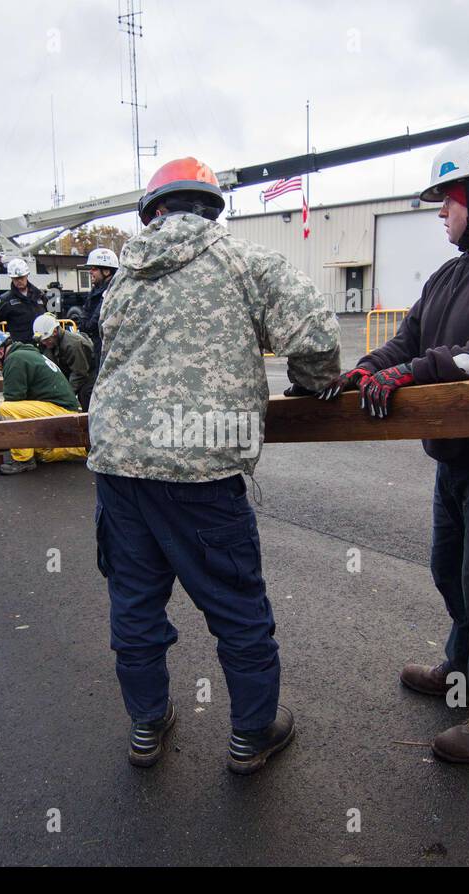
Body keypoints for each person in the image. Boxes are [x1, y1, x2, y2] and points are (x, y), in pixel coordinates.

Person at [316, 131, 469, 762]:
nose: (441, 212)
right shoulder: (453, 273)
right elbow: (408, 341)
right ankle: (463, 668)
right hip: (455, 456)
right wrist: (368, 367)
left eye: (447, 199)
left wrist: (420, 371)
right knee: (451, 573)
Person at [88, 156, 342, 774]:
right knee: (235, 606)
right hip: (201, 469)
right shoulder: (244, 261)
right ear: (211, 209)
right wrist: (316, 385)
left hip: (119, 467)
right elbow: (313, 336)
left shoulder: (122, 278)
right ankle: (252, 735)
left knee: (135, 603)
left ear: (153, 214)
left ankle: (147, 726)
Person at [0, 328, 86, 475]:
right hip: (65, 411)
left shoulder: (14, 360)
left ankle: (23, 460)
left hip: (61, 411)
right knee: (42, 452)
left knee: (6, 409)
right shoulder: (25, 354)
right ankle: (84, 448)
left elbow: (13, 401)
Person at [33, 313, 96, 410]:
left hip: (89, 374)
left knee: (85, 395)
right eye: (42, 341)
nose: (44, 343)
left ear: (54, 332)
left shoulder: (73, 345)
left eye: (46, 340)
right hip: (73, 372)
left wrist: (66, 394)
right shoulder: (51, 344)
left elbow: (79, 374)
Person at [78, 246, 119, 369]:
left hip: (106, 347)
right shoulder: (96, 291)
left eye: (94, 268)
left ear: (106, 271)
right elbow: (85, 317)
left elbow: (93, 323)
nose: (90, 272)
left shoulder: (112, 291)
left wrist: (85, 326)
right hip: (97, 345)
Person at [0, 258, 45, 345]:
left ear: (27, 275)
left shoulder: (39, 295)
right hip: (21, 348)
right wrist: (3, 340)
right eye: (16, 278)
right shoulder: (6, 300)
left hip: (42, 345)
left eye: (21, 277)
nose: (19, 281)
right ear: (11, 278)